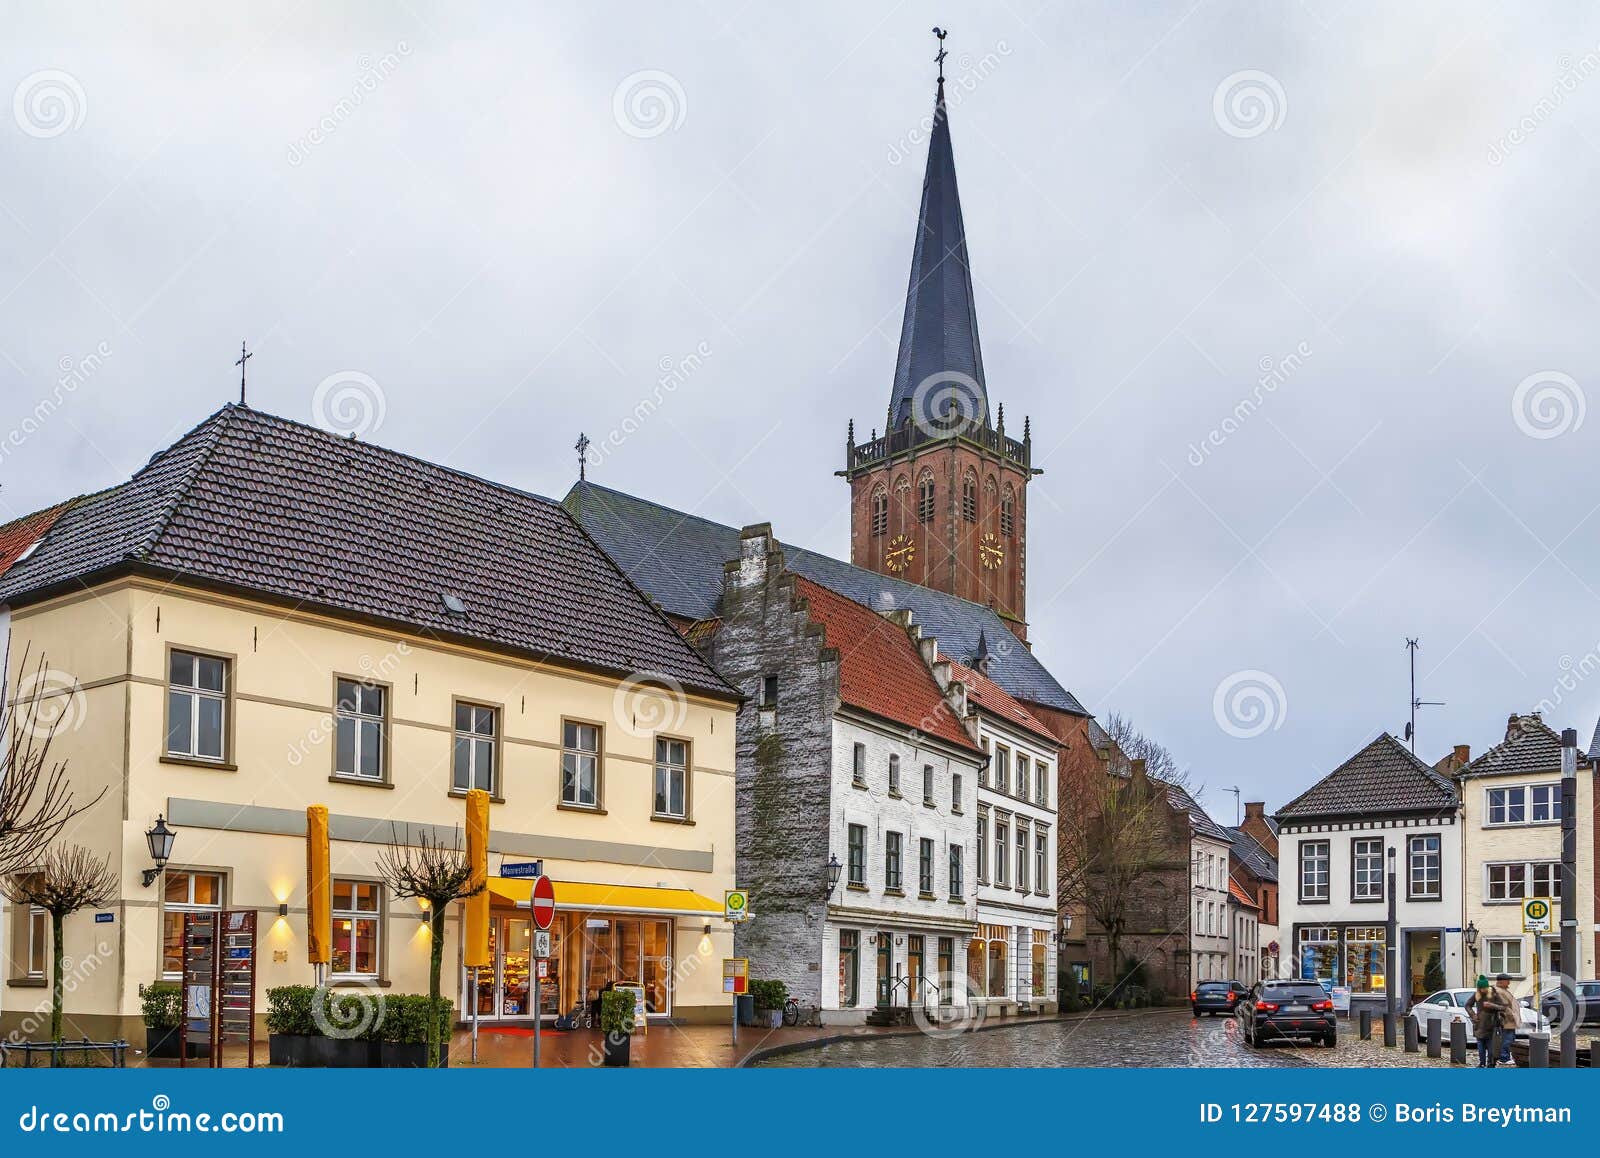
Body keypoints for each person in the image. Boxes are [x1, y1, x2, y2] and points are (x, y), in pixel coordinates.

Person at [1464, 975, 1506, 1067]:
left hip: (1492, 1024)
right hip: (1479, 1024)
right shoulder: (1477, 995)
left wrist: (1491, 1005)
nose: (1483, 990)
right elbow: (1467, 1005)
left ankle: (1491, 1063)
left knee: (1491, 1046)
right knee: (1480, 1046)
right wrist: (1473, 1015)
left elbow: (1503, 1007)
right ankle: (1482, 1063)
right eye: (1481, 988)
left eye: (1485, 988)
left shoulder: (1494, 994)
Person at [1494, 973, 1519, 1064]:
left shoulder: (1503, 991)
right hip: (1507, 1020)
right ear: (1501, 981)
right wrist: (1510, 1014)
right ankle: (1504, 1058)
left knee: (1510, 1039)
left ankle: (1507, 1056)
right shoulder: (1499, 991)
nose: (1509, 982)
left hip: (1510, 1020)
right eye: (1507, 980)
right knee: (1507, 1039)